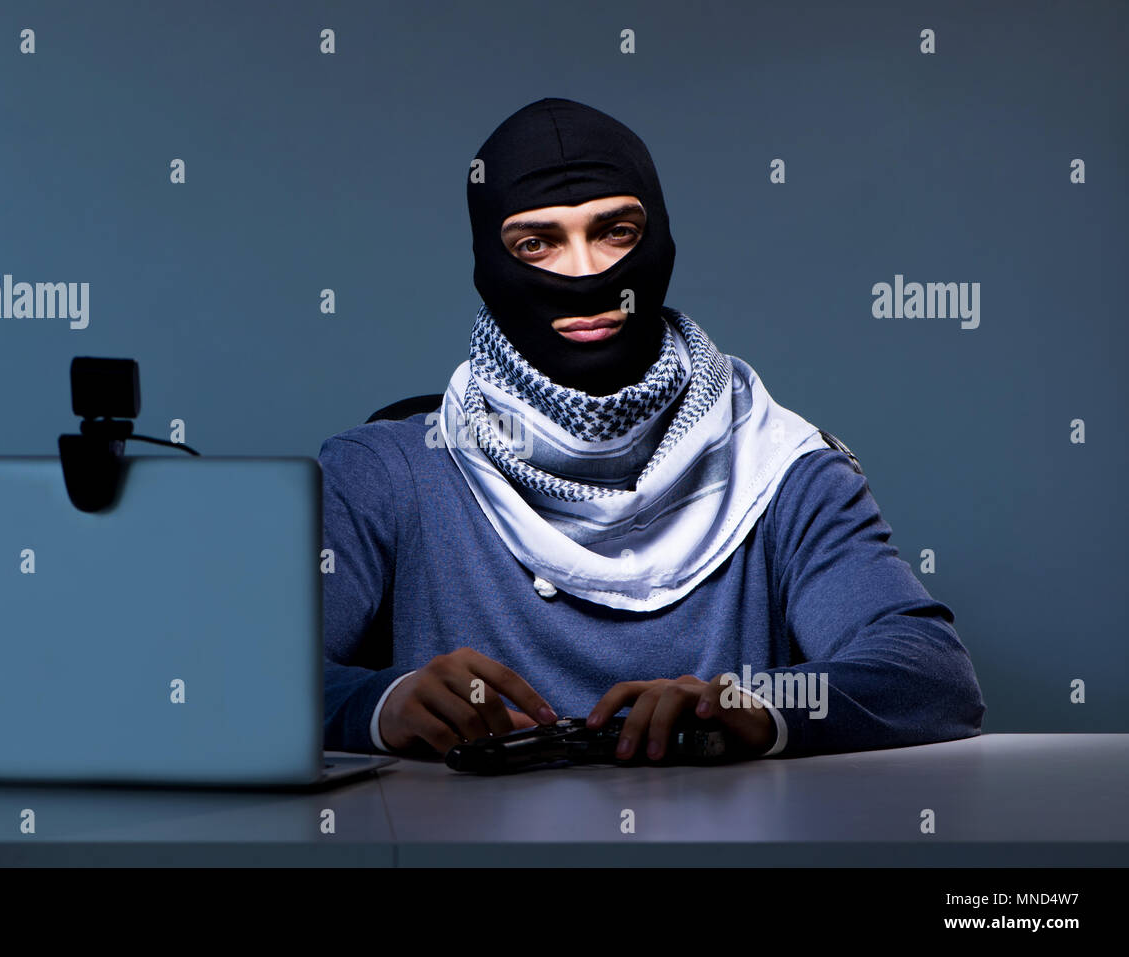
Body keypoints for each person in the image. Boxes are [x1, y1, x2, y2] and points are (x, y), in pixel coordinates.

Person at [321, 97, 985, 762]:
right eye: (536, 243)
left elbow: (931, 674)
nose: (586, 275)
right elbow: (238, 678)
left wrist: (757, 705)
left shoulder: (781, 467)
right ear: (487, 266)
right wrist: (378, 703)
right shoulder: (385, 473)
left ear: (661, 239)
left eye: (614, 232)